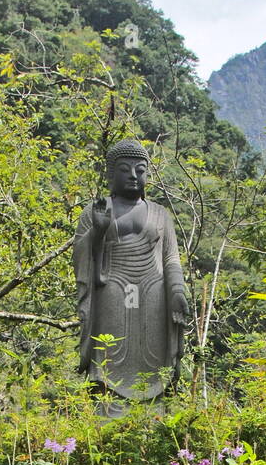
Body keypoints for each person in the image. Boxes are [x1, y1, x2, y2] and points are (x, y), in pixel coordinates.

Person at [73, 139, 188, 418]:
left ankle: (154, 414)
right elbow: (80, 254)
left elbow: (171, 258)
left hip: (154, 295)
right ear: (111, 174)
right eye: (125, 170)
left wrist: (177, 291)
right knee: (112, 351)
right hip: (112, 290)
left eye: (141, 170)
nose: (134, 176)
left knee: (152, 355)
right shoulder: (95, 210)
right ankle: (108, 414)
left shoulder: (161, 214)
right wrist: (98, 231)